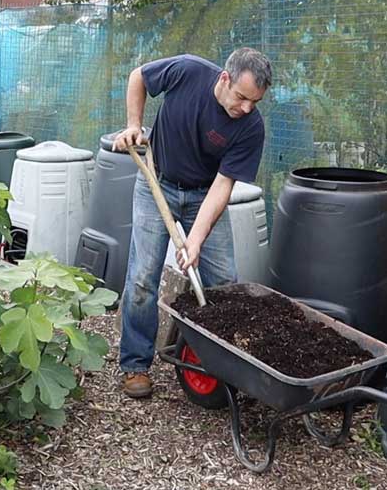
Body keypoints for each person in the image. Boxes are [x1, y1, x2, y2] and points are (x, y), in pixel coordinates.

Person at [113, 48, 272, 398]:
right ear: (224, 79)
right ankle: (135, 365)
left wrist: (196, 240)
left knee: (223, 284)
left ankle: (226, 365)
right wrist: (134, 125)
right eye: (242, 97)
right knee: (142, 277)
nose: (246, 108)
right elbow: (138, 76)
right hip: (157, 182)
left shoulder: (250, 127)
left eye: (255, 102)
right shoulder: (187, 71)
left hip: (204, 193)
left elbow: (222, 186)